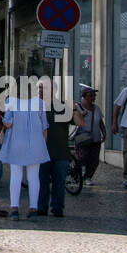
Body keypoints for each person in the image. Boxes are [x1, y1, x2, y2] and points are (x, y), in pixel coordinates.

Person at [0, 86, 49, 219]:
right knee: (34, 177)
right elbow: (45, 127)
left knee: (16, 176)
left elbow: (8, 123)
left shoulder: (11, 101)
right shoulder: (39, 103)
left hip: (17, 142)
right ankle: (33, 209)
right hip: (36, 143)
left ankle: (14, 208)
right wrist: (43, 146)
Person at [38, 81, 72, 217]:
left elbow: (79, 121)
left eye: (43, 88)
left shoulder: (63, 106)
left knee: (59, 182)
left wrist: (75, 109)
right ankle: (41, 207)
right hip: (41, 152)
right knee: (41, 182)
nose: (40, 91)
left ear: (53, 90)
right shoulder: (35, 107)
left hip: (60, 152)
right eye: (39, 88)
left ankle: (57, 208)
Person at [71, 87, 106, 185]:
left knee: (94, 160)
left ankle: (88, 177)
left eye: (94, 95)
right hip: (83, 138)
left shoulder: (97, 108)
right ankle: (75, 176)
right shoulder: (77, 107)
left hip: (95, 138)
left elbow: (100, 122)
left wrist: (104, 132)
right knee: (81, 158)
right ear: (84, 97)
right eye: (90, 95)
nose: (93, 97)